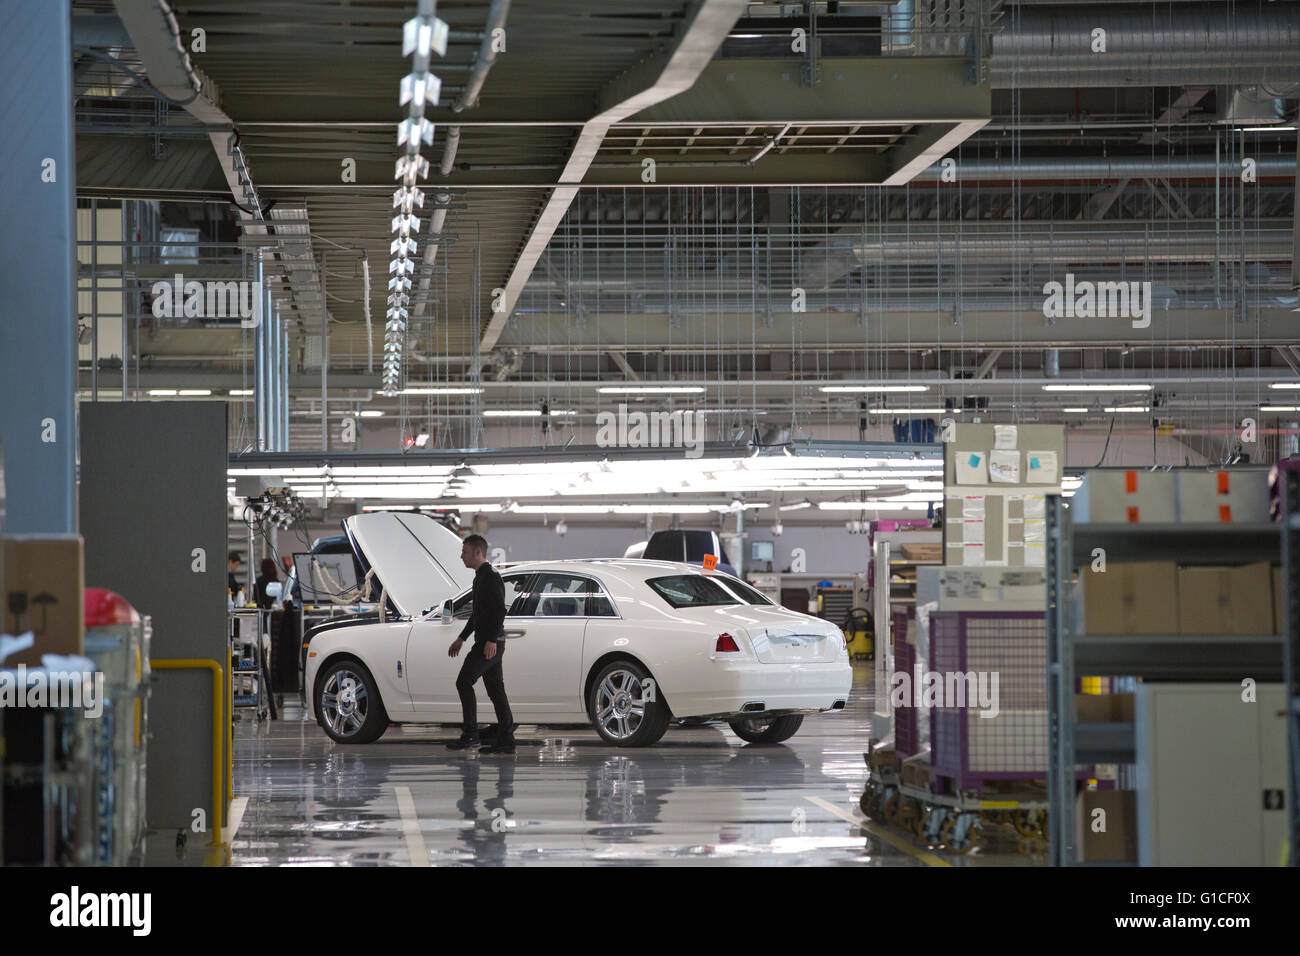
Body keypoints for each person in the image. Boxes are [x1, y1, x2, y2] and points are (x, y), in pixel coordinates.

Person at [446, 534, 515, 755]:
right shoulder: (480, 578)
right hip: (488, 641)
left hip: (490, 643)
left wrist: (492, 640)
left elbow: (498, 611)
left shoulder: (491, 577)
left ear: (478, 552)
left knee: (464, 682)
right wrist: (462, 638)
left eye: (464, 552)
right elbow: (477, 615)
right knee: (496, 691)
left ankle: (470, 735)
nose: (461, 556)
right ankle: (506, 740)